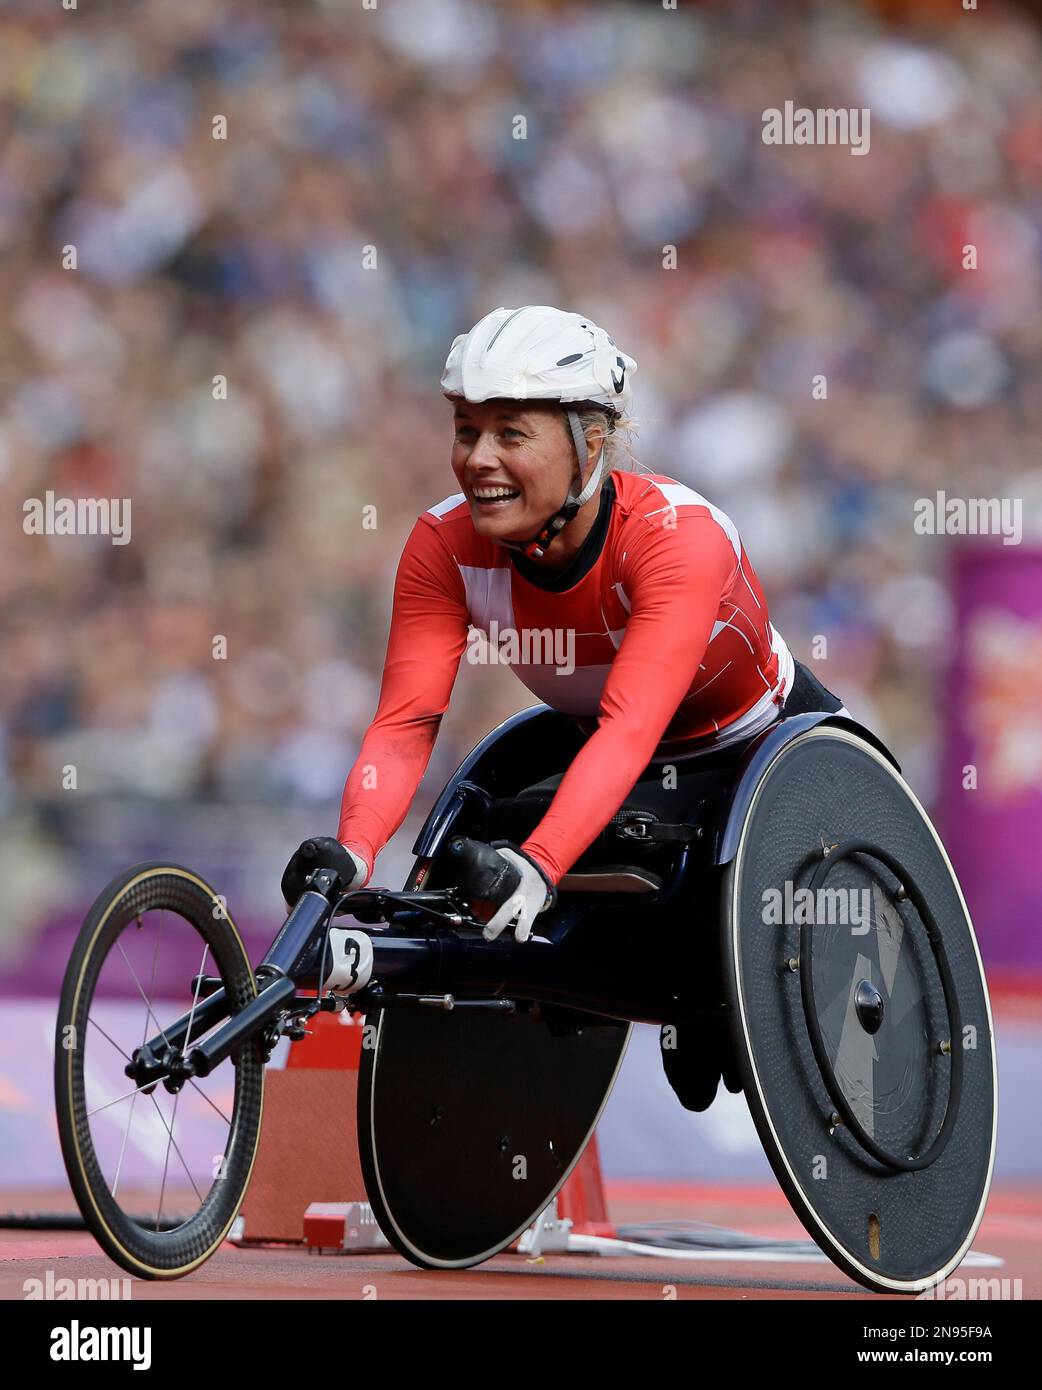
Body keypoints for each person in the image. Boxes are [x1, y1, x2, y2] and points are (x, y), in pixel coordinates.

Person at [282, 302, 847, 941]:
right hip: (603, 762)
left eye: (511, 435)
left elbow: (631, 725)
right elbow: (405, 724)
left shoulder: (676, 537)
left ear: (591, 444)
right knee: (457, 865)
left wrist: (541, 863)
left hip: (761, 751)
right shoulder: (442, 544)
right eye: (466, 431)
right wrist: (355, 850)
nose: (478, 459)